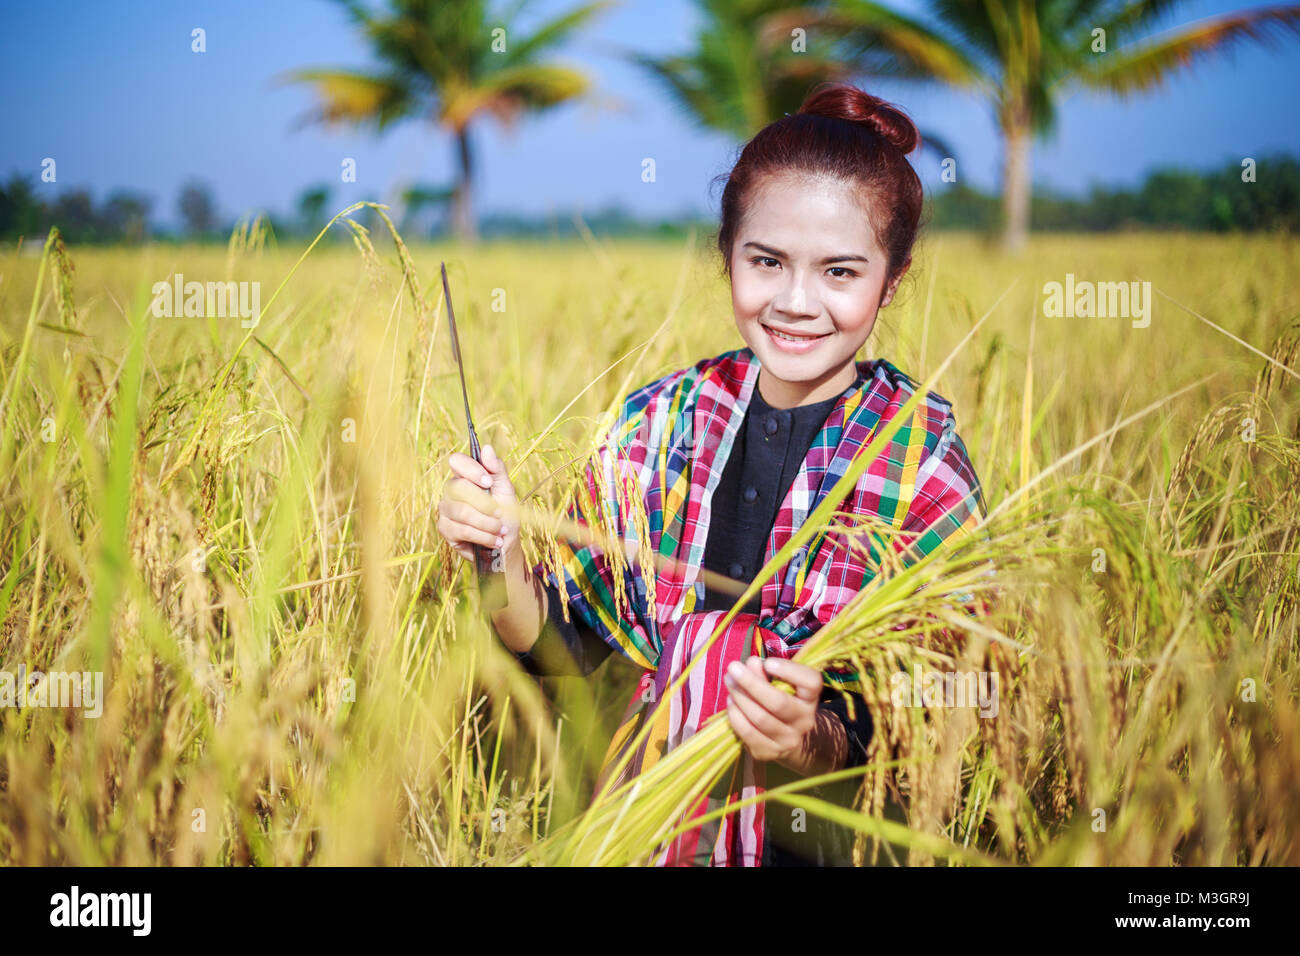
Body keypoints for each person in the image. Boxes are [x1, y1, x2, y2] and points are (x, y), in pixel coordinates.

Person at [435, 81, 986, 866]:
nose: (797, 302)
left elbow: (928, 732)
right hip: (634, 833)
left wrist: (807, 739)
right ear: (728, 254)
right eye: (767, 261)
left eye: (839, 272)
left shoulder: (921, 464)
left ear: (890, 281)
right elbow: (570, 656)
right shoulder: (658, 427)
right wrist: (504, 555)